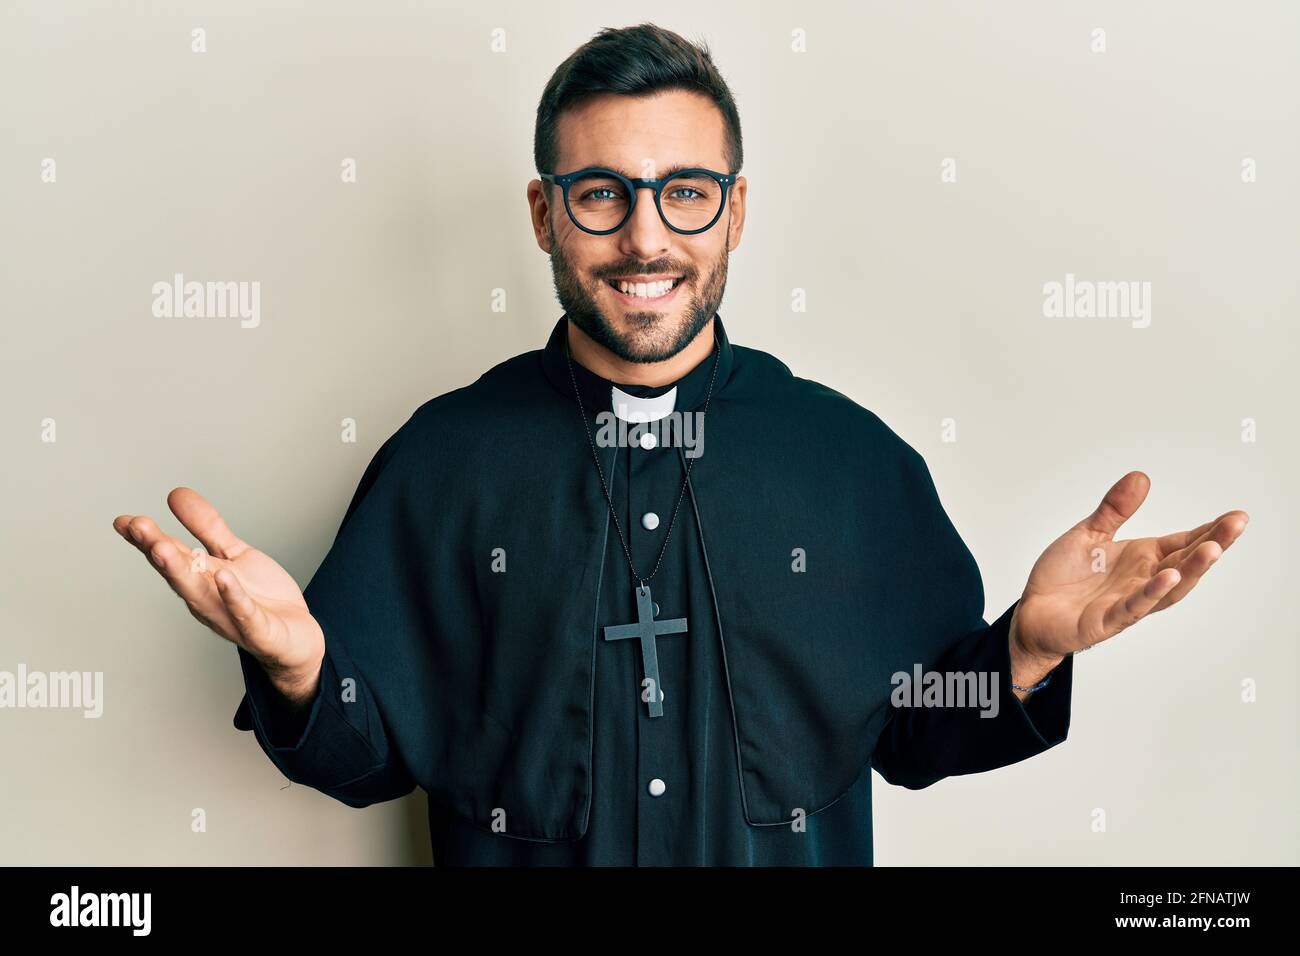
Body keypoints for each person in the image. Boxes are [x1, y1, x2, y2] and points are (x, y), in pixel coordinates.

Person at [113, 23, 1248, 866]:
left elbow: (913, 731)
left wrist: (1025, 653)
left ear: (736, 212)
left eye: (686, 193)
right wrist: (302, 667)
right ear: (544, 214)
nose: (645, 235)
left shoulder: (852, 464)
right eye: (601, 193)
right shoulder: (439, 462)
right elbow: (365, 758)